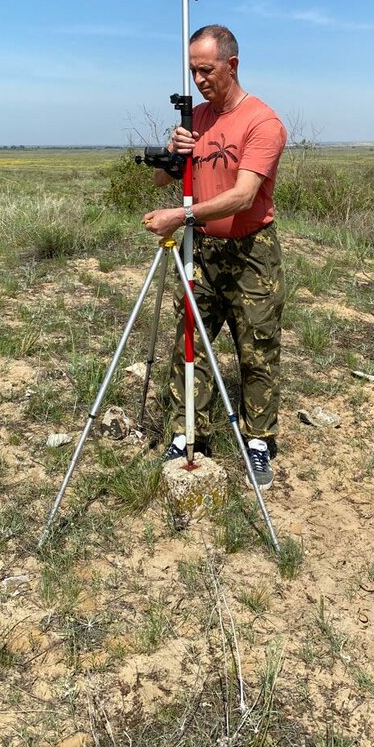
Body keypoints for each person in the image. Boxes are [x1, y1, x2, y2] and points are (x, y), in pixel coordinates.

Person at [142, 25, 287, 489]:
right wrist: (173, 153)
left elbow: (244, 197)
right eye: (193, 71)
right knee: (192, 342)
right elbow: (163, 183)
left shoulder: (263, 123)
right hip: (200, 250)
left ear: (232, 64)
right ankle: (189, 434)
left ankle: (259, 440)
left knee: (257, 348)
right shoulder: (196, 118)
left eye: (207, 70)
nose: (200, 80)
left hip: (251, 253)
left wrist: (179, 217)